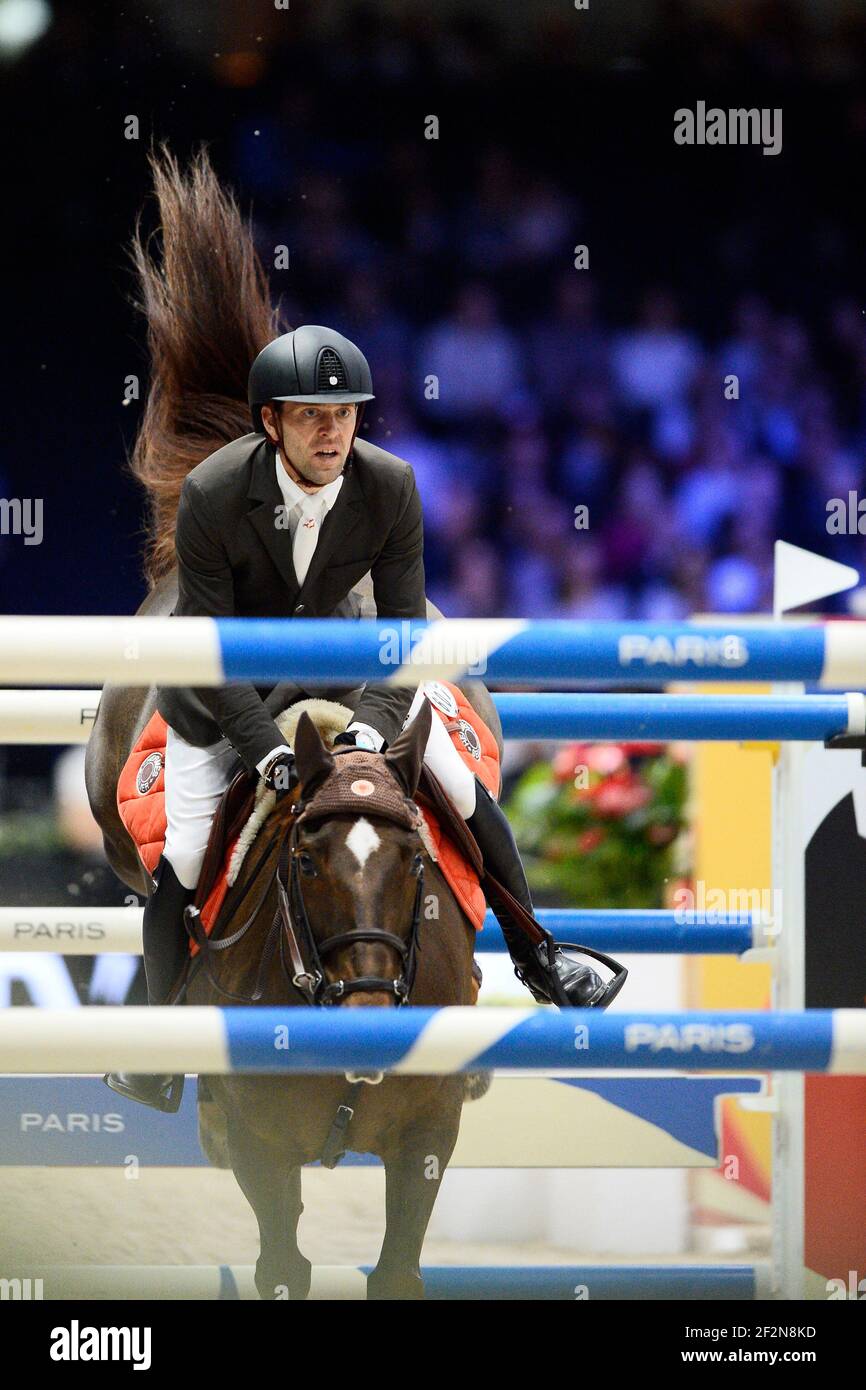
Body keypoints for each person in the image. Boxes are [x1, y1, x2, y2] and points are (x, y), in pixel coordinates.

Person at [107, 325, 604, 1111]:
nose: (332, 430)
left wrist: (375, 729)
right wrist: (267, 752)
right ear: (270, 422)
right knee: (189, 863)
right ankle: (163, 1046)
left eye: (345, 413)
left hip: (349, 669)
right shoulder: (212, 492)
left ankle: (539, 958)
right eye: (310, 414)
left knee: (470, 804)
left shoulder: (391, 484)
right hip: (220, 693)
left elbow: (406, 635)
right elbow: (210, 653)